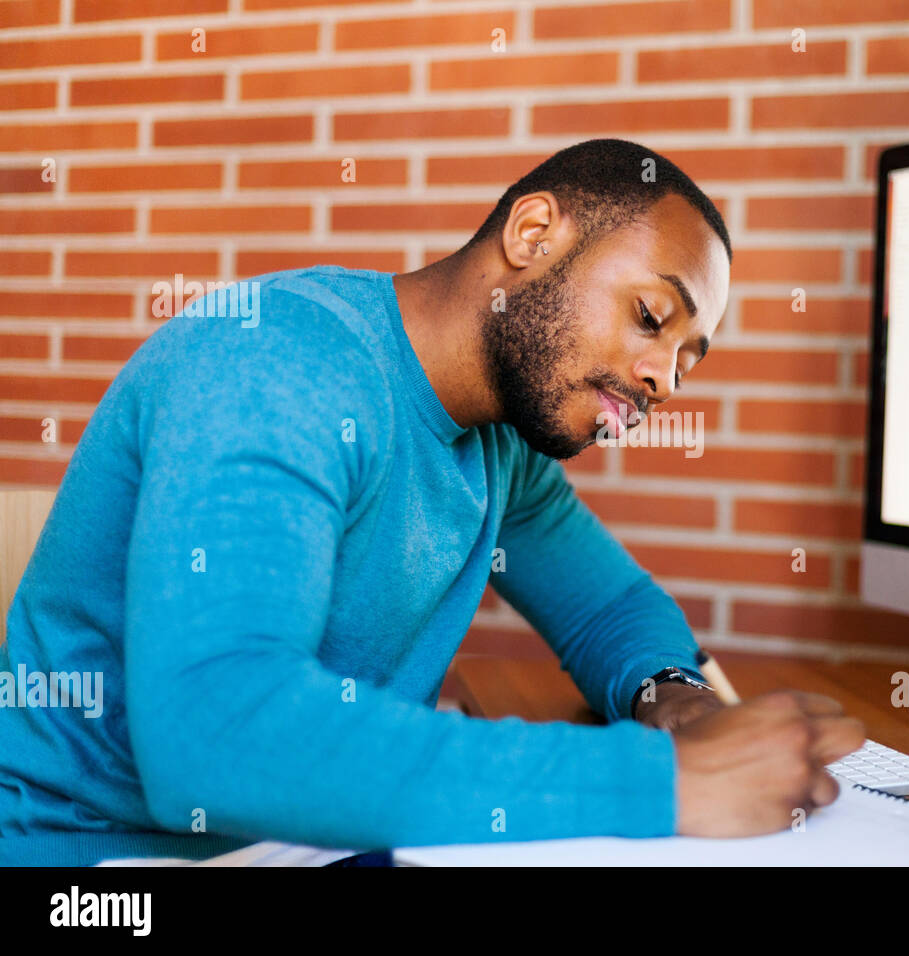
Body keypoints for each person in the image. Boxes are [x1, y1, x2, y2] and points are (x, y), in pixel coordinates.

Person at [0, 139, 864, 866]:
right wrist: (672, 781)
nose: (661, 382)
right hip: (105, 865)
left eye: (688, 360)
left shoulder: (500, 445)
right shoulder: (275, 363)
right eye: (650, 316)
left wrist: (676, 701)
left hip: (307, 839)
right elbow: (216, 737)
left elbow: (610, 607)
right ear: (533, 233)